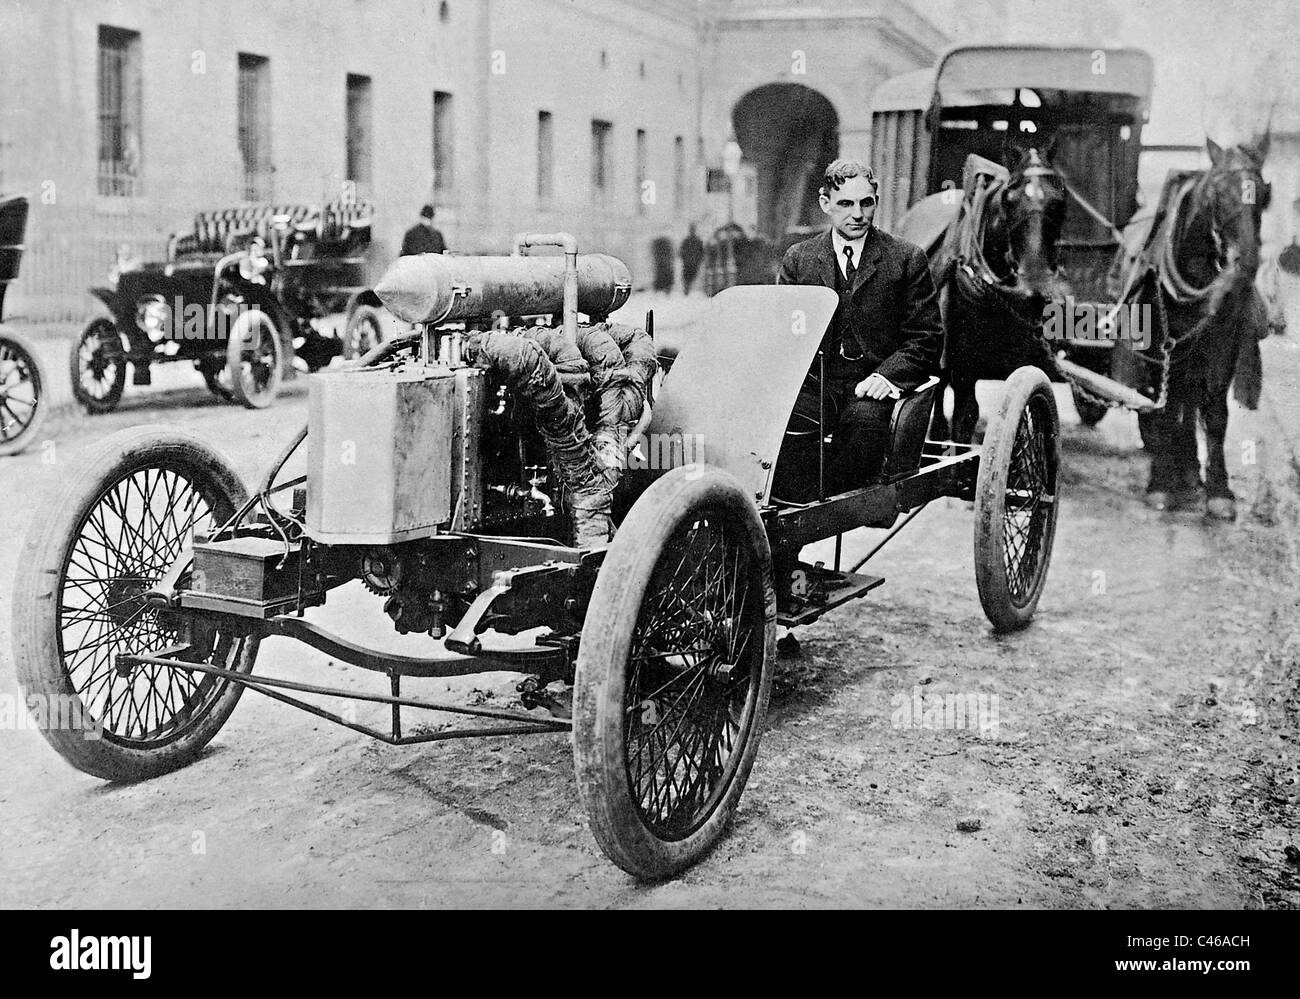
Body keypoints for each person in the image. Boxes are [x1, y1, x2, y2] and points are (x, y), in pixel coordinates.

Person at [775, 159, 942, 495]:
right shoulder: (800, 259)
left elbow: (926, 338)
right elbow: (782, 335)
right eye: (846, 204)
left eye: (867, 203)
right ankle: (788, 526)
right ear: (825, 204)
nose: (858, 214)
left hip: (870, 385)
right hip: (817, 385)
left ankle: (821, 508)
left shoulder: (906, 259)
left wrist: (887, 377)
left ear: (875, 200)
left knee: (863, 432)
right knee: (781, 433)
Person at [680, 224, 704, 294]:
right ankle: (687, 289)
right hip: (689, 262)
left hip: (693, 262)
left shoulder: (697, 241)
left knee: (691, 276)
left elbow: (701, 251)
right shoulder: (687, 240)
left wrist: (700, 259)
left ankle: (688, 288)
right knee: (687, 277)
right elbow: (682, 251)